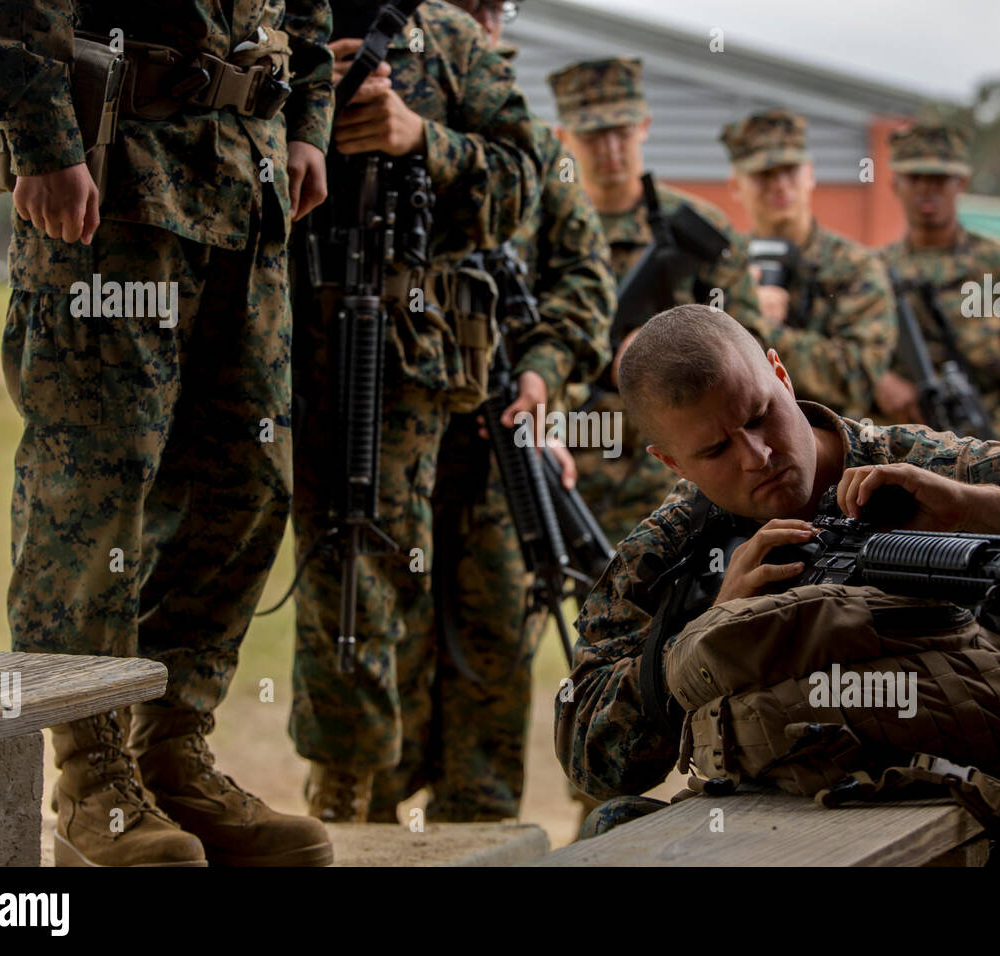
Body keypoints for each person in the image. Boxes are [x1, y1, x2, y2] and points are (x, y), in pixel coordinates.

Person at [555, 303, 1000, 827]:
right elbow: (590, 756)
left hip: (970, 783)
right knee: (614, 827)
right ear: (669, 462)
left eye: (761, 414)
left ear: (782, 376)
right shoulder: (669, 549)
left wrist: (978, 509)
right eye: (715, 450)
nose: (757, 456)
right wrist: (705, 638)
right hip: (775, 808)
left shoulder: (921, 466)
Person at [0, 2, 337, 864]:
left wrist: (308, 120)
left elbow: (307, 11)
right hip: (113, 181)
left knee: (250, 481)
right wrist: (44, 140)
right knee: (93, 491)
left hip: (248, 191)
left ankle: (174, 753)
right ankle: (92, 779)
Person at [360, 0, 615, 824]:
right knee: (378, 632)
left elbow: (583, 284)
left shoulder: (531, 158)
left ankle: (481, 820)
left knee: (496, 647)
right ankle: (360, 807)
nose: (479, 24)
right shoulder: (367, 119)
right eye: (464, 8)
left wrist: (543, 375)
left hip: (497, 442)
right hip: (387, 433)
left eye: (490, 11)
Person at [290, 0, 543, 823]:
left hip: (393, 346)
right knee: (211, 548)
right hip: (263, 333)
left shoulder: (451, 39)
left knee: (371, 556)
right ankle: (162, 766)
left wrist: (418, 138)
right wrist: (297, 102)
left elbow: (523, 180)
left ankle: (352, 778)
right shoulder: (264, 18)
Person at [549, 56, 767, 545]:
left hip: (681, 461)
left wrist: (665, 352)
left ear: (645, 125)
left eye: (621, 131)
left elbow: (753, 339)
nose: (609, 148)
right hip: (573, 453)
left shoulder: (693, 229)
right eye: (592, 135)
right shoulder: (545, 229)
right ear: (564, 137)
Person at [876, 122, 1000, 444]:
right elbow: (847, 357)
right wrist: (879, 381)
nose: (926, 189)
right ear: (895, 184)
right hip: (899, 444)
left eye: (939, 179)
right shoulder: (873, 272)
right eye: (914, 178)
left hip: (995, 444)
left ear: (961, 182)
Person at [722, 108, 896, 421]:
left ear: (810, 173)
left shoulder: (855, 266)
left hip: (834, 453)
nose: (779, 184)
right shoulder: (722, 266)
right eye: (763, 174)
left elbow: (855, 376)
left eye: (790, 169)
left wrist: (759, 327)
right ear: (736, 184)